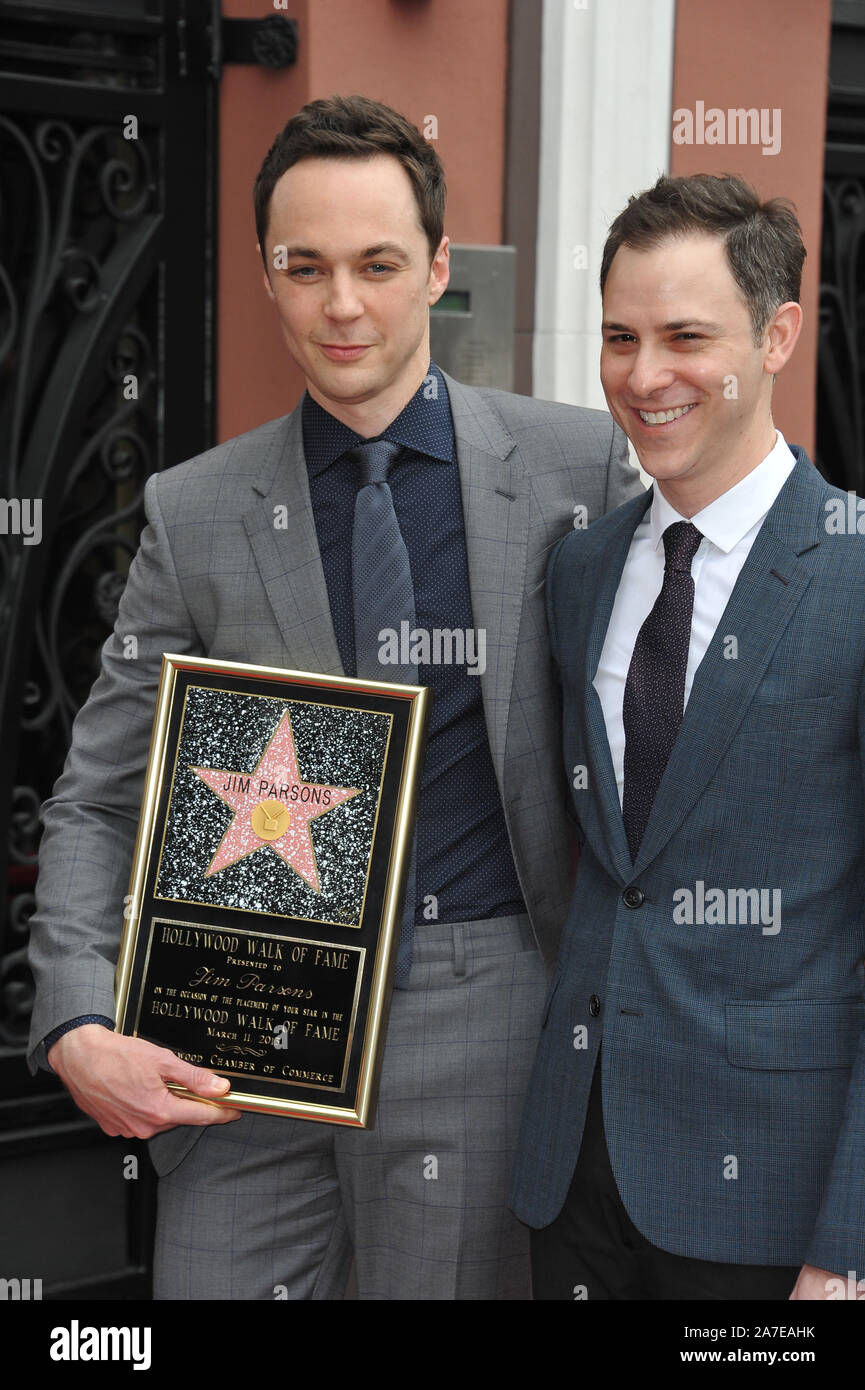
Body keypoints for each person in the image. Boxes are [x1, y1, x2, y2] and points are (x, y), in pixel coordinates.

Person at [26, 95, 640, 1300]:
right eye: (305, 267)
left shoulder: (577, 467)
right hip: (242, 1022)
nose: (342, 305)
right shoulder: (191, 510)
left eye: (377, 264)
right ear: (266, 273)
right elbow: (98, 796)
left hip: (485, 1013)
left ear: (438, 270)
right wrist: (72, 1018)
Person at [509, 171, 865, 1301]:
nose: (643, 375)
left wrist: (848, 1246)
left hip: (768, 1202)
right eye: (619, 336)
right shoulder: (577, 569)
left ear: (777, 336)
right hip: (572, 1178)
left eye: (683, 336)